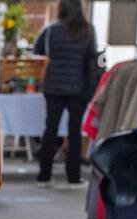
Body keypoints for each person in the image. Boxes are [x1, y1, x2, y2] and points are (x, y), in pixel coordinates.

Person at [33, 0, 99, 188]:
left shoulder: (51, 29)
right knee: (74, 133)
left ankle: (44, 176)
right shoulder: (87, 29)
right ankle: (73, 177)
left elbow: (37, 50)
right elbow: (92, 57)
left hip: (53, 86)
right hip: (77, 88)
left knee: (50, 130)